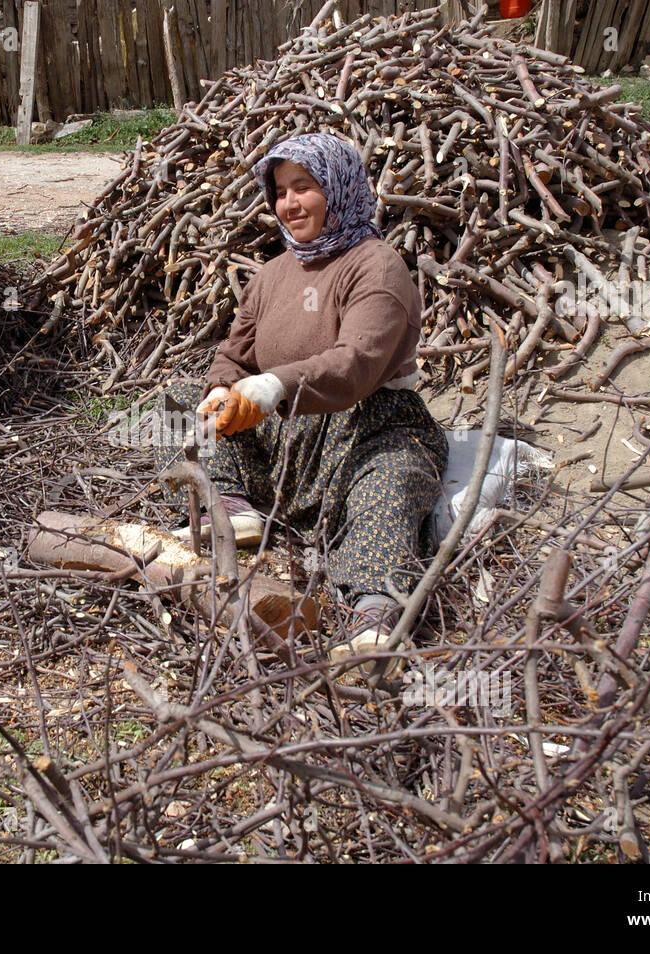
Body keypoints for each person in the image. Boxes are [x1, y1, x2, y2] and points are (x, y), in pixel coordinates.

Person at [161, 132, 448, 660]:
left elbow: (356, 364)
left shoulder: (376, 266)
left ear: (338, 188)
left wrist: (274, 386)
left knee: (394, 480)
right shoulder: (272, 274)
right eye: (280, 191)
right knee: (180, 401)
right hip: (286, 436)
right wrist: (224, 387)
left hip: (368, 426)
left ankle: (374, 612)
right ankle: (232, 503)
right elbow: (234, 350)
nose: (289, 204)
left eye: (304, 187)